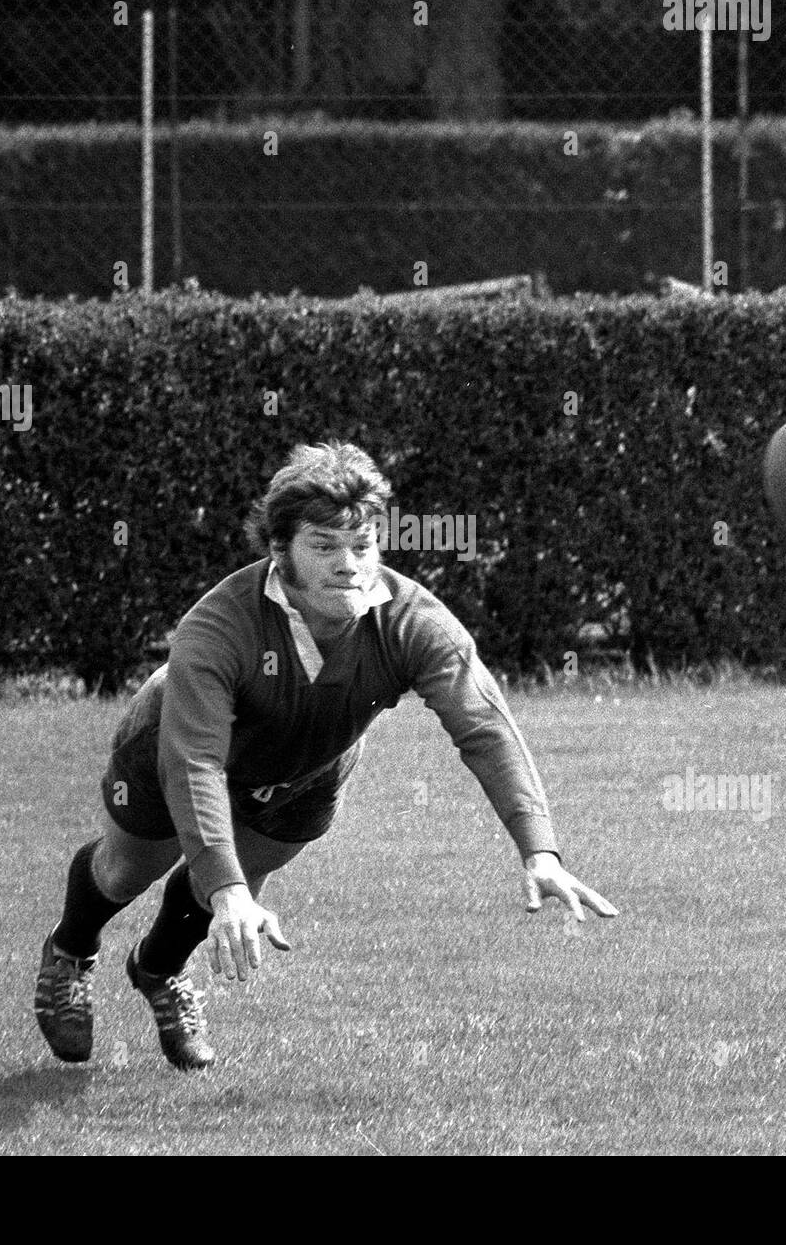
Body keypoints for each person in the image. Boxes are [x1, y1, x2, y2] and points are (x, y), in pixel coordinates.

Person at [34, 441, 617, 1069]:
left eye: (362, 545)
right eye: (324, 546)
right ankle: (70, 953)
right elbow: (194, 760)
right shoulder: (218, 625)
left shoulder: (412, 621)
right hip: (173, 750)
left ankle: (159, 970)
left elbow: (485, 727)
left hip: (306, 774)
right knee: (129, 870)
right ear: (280, 552)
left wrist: (540, 850)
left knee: (224, 895)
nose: (349, 565)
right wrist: (226, 884)